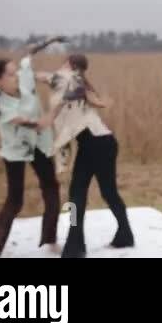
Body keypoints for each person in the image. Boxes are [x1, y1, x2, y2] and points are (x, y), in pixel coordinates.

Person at [36, 53, 134, 258]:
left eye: (63, 63)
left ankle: (75, 246)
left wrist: (25, 73)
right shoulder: (79, 82)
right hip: (104, 143)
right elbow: (90, 100)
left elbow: (43, 76)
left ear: (69, 64)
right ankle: (124, 235)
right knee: (108, 193)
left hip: (94, 144)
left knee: (76, 196)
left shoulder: (66, 77)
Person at [0, 36, 66, 257]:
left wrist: (51, 40)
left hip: (38, 145)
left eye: (15, 71)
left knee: (51, 188)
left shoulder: (24, 80)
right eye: (10, 74)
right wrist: (61, 102)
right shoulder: (1, 106)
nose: (16, 75)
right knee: (15, 200)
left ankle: (49, 241)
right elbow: (38, 124)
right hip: (16, 151)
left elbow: (29, 53)